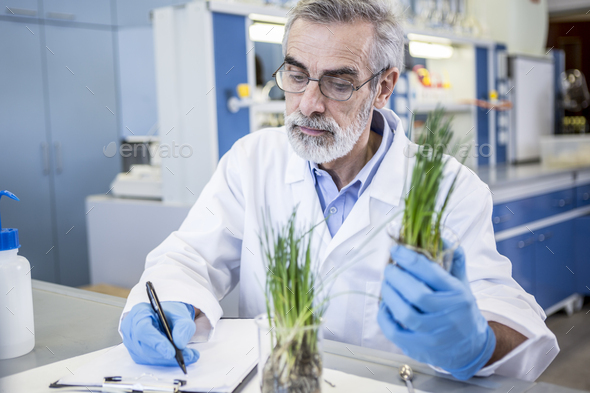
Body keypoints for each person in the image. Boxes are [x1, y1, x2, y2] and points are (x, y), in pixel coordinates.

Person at [119, 0, 558, 381]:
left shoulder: (451, 188)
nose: (308, 103)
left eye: (339, 83)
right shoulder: (251, 160)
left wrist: (477, 341)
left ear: (383, 87)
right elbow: (190, 258)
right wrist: (169, 300)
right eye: (295, 75)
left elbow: (516, 317)